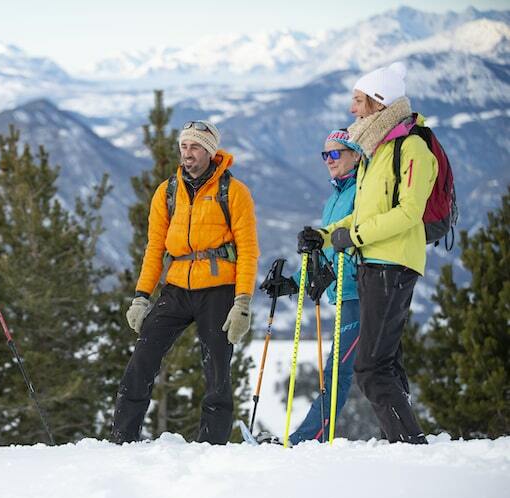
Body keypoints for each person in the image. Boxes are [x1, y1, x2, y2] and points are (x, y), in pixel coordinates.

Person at [298, 61, 437, 444]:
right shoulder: (375, 154)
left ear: (379, 103)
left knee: (370, 368)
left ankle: (408, 444)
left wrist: (353, 236)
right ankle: (404, 440)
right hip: (371, 264)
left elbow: (409, 213)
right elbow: (360, 215)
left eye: (358, 100)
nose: (352, 109)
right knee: (385, 364)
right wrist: (323, 236)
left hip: (394, 264)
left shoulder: (412, 149)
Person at [111, 120, 260, 444]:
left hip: (219, 289)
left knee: (217, 369)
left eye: (195, 147)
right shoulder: (167, 192)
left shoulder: (234, 192)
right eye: (183, 146)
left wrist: (242, 302)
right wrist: (141, 296)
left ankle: (212, 445)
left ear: (209, 151)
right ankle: (122, 438)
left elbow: (248, 250)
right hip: (177, 287)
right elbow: (154, 248)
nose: (187, 153)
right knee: (143, 358)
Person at [263, 129, 363, 444]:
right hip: (344, 293)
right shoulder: (335, 198)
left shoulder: (363, 191)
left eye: (335, 154)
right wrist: (291, 283)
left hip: (360, 293)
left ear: (356, 155)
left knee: (338, 372)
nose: (328, 161)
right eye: (325, 155)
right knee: (382, 367)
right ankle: (406, 436)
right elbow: (327, 256)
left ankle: (306, 439)